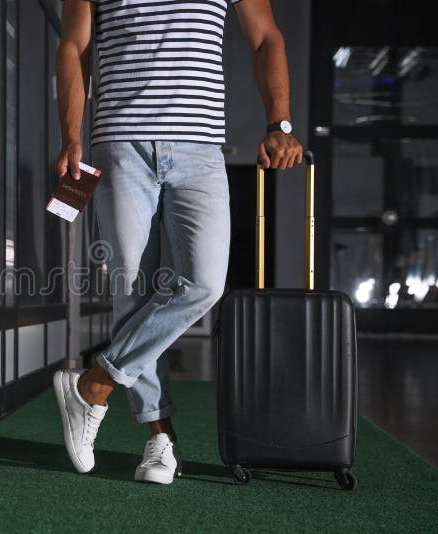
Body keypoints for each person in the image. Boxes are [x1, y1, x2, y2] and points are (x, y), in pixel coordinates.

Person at [53, 0, 304, 484]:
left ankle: (93, 384)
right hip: (121, 142)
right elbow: (74, 46)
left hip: (200, 148)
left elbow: (266, 37)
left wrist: (281, 123)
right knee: (133, 291)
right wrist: (70, 136)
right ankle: (159, 439)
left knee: (206, 283)